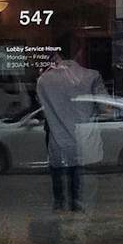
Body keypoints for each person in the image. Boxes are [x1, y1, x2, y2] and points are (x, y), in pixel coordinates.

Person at [36, 35, 104, 212]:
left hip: (56, 137)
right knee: (77, 174)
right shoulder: (91, 76)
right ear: (80, 51)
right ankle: (75, 204)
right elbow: (104, 106)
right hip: (81, 137)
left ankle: (60, 204)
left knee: (58, 173)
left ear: (57, 53)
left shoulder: (44, 81)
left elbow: (42, 109)